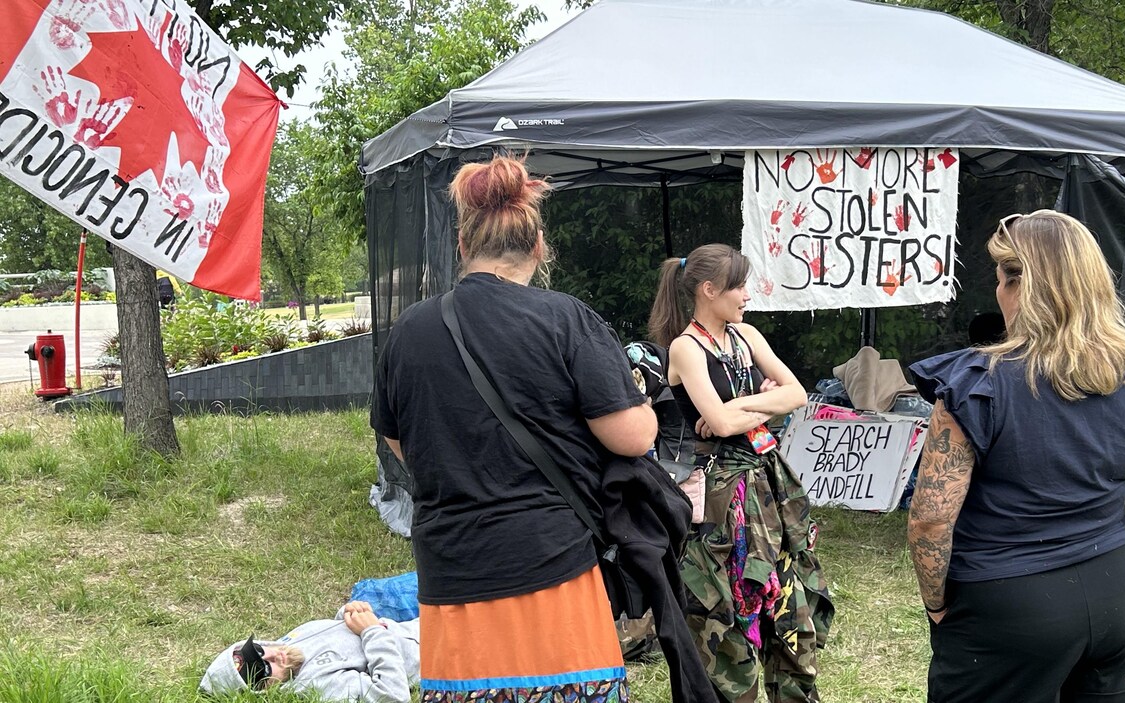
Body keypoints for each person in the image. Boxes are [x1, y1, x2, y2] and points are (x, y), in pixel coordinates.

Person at [371, 154, 656, 702]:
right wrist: (641, 402)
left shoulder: (410, 330)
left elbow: (397, 440)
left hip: (452, 574)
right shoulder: (565, 318)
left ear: (461, 243)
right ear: (538, 246)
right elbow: (633, 437)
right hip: (554, 566)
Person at [907, 210, 1125, 703]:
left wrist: (936, 605)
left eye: (1003, 279)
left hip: (1006, 604)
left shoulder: (976, 384)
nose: (998, 293)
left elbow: (931, 520)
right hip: (1117, 594)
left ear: (1020, 287)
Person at [649, 243, 834, 703]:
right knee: (728, 606)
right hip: (720, 498)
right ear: (710, 290)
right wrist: (759, 405)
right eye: (739, 285)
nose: (748, 295)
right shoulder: (685, 348)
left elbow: (797, 395)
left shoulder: (747, 336)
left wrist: (736, 407)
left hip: (769, 487)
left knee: (788, 603)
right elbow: (731, 425)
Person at [199, 601, 420, 702]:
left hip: (419, 625)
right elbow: (392, 696)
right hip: (439, 651)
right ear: (262, 691)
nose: (272, 654)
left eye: (256, 650)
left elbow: (334, 640)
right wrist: (372, 631)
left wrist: (348, 614)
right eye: (263, 667)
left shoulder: (287, 645)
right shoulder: (315, 685)